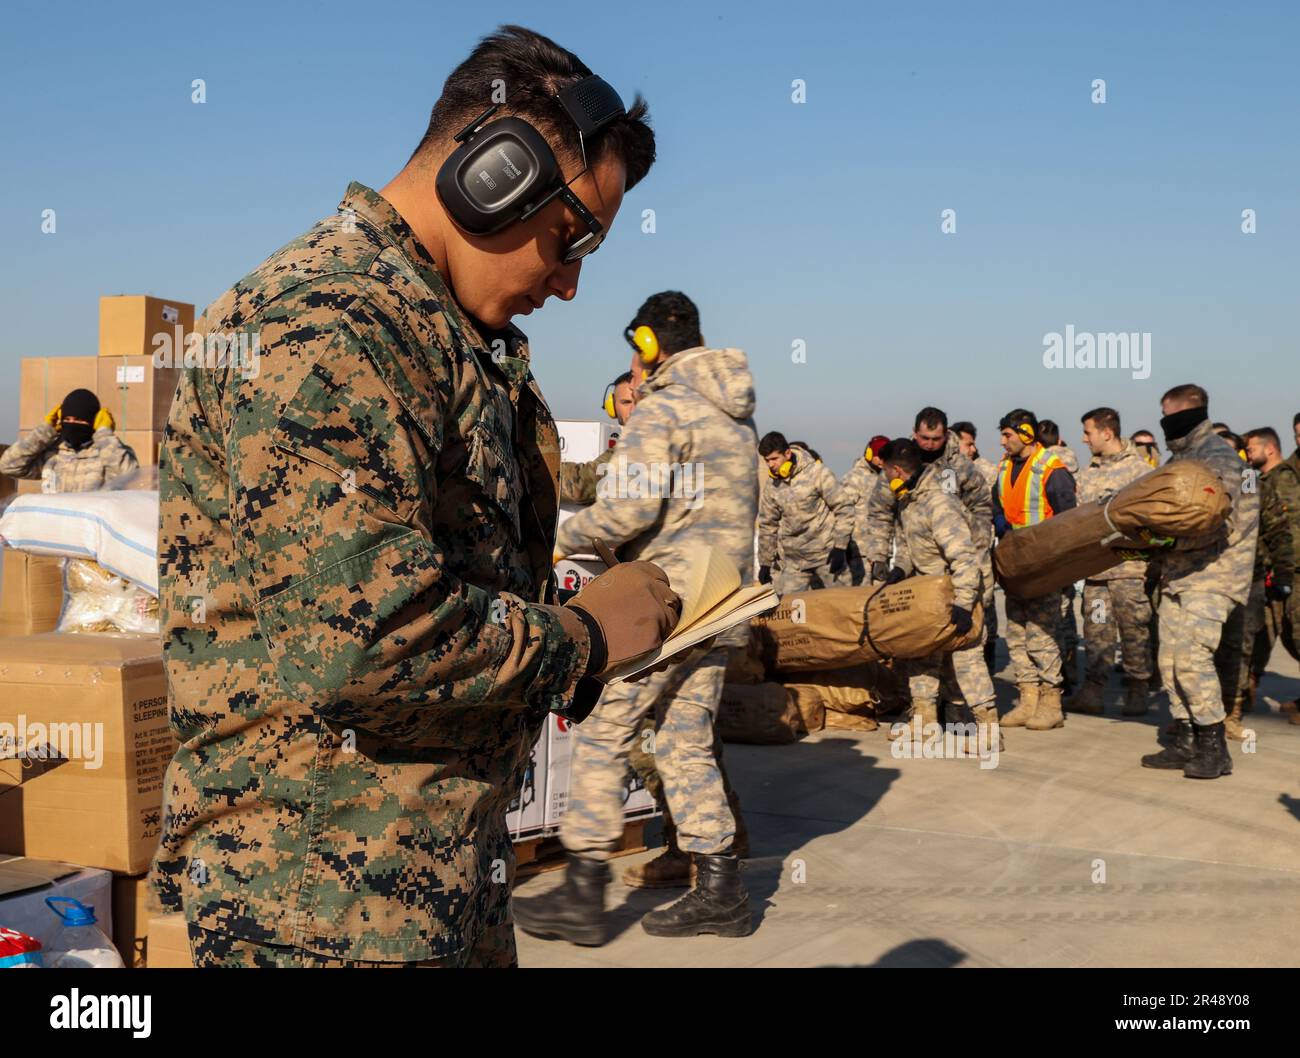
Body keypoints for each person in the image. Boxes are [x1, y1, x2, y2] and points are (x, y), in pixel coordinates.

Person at [148, 25, 679, 969]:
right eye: (568, 238)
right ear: (492, 174)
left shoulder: (424, 326)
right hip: (322, 904)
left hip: (424, 875)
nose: (568, 283)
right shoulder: (329, 325)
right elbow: (361, 639)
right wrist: (584, 638)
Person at [515, 290, 759, 942]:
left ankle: (584, 897)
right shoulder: (734, 418)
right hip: (723, 601)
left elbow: (626, 513)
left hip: (669, 602)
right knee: (683, 742)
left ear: (649, 343)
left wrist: (570, 537)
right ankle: (721, 890)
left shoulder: (667, 408)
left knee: (602, 730)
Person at [1138, 384, 1258, 779]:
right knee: (1169, 661)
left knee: (1191, 659)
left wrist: (1162, 538)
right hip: (1180, 575)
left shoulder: (1217, 458)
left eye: (1168, 415)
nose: (1164, 423)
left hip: (1213, 574)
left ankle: (1214, 746)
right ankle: (1186, 737)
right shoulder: (1185, 456)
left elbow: (1209, 521)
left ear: (1188, 413)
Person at [878, 440, 999, 748]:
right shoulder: (910, 500)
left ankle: (988, 732)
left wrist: (963, 603)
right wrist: (900, 569)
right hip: (928, 593)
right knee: (921, 656)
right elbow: (908, 546)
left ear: (896, 470)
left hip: (958, 590)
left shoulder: (938, 503)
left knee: (967, 660)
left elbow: (964, 558)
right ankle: (924, 723)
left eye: (885, 471)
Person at [992, 409, 1077, 731]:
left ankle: (1050, 701)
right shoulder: (1003, 467)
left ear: (1026, 434)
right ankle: (1027, 698)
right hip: (1016, 564)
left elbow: (1070, 519)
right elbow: (997, 504)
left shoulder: (1052, 470)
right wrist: (1001, 523)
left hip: (1044, 566)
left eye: (1007, 435)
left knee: (1042, 635)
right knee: (1016, 632)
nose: (1002, 441)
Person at [1070, 407, 1154, 717]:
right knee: (1097, 633)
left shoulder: (1140, 471)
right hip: (1095, 574)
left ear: (1107, 433)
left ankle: (1138, 689)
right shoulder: (1088, 471)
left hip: (1128, 572)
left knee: (1134, 631)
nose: (1084, 438)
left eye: (1088, 432)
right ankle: (1093, 691)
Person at [862, 407, 992, 595]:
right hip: (912, 560)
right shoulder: (900, 463)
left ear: (946, 435)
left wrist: (977, 542)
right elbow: (880, 513)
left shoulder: (961, 466)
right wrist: (879, 556)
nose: (930, 444)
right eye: (925, 438)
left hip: (957, 556)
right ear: (915, 433)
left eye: (936, 439)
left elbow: (981, 506)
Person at [1237, 428, 1298, 727]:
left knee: (1296, 637)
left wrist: (1286, 569)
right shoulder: (1255, 482)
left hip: (1291, 571)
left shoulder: (1291, 478)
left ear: (1269, 448)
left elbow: (1286, 531)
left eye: (1251, 449)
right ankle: (1241, 696)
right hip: (1266, 574)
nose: (1247, 454)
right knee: (1259, 637)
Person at [757, 431, 854, 595]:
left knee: (845, 607)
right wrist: (765, 562)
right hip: (795, 563)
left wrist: (840, 547)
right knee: (790, 613)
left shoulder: (817, 473)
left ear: (787, 453)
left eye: (774, 459)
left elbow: (844, 507)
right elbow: (768, 525)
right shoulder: (772, 486)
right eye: (767, 460)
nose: (770, 465)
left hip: (826, 556)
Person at [0, 389, 138, 492]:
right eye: (67, 419)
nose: (72, 424)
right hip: (58, 526)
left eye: (78, 420)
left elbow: (130, 477)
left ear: (93, 421)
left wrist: (104, 435)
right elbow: (9, 466)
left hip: (91, 528)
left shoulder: (108, 453)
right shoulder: (53, 454)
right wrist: (44, 431)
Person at [953, 420, 1001, 667]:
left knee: (985, 604)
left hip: (981, 548)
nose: (972, 449)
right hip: (955, 552)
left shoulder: (987, 471)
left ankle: (987, 653)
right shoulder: (945, 471)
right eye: (967, 443)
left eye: (973, 443)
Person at [559, 370, 635, 504]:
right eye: (626, 402)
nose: (634, 409)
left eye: (640, 401)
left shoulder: (642, 442)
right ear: (613, 408)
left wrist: (536, 463)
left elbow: (580, 486)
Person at [838, 433, 890, 586]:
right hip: (860, 552)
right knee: (860, 596)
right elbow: (843, 512)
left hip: (879, 552)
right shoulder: (854, 478)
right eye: (880, 457)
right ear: (869, 454)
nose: (883, 461)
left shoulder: (885, 478)